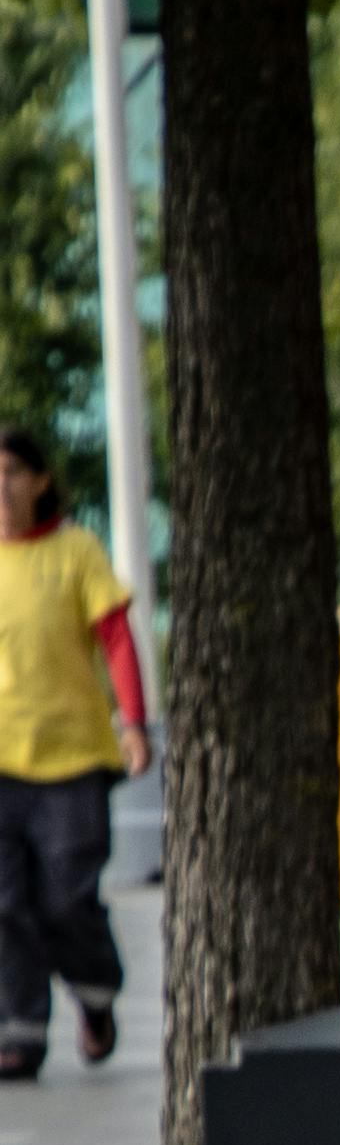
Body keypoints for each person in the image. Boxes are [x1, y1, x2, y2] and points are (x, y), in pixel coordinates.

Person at [0, 423, 142, 1082]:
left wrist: (134, 722)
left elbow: (114, 635)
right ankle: (20, 1032)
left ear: (39, 481)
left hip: (72, 759)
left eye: (11, 473)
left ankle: (94, 990)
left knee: (65, 900)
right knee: (5, 904)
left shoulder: (75, 549)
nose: (1, 488)